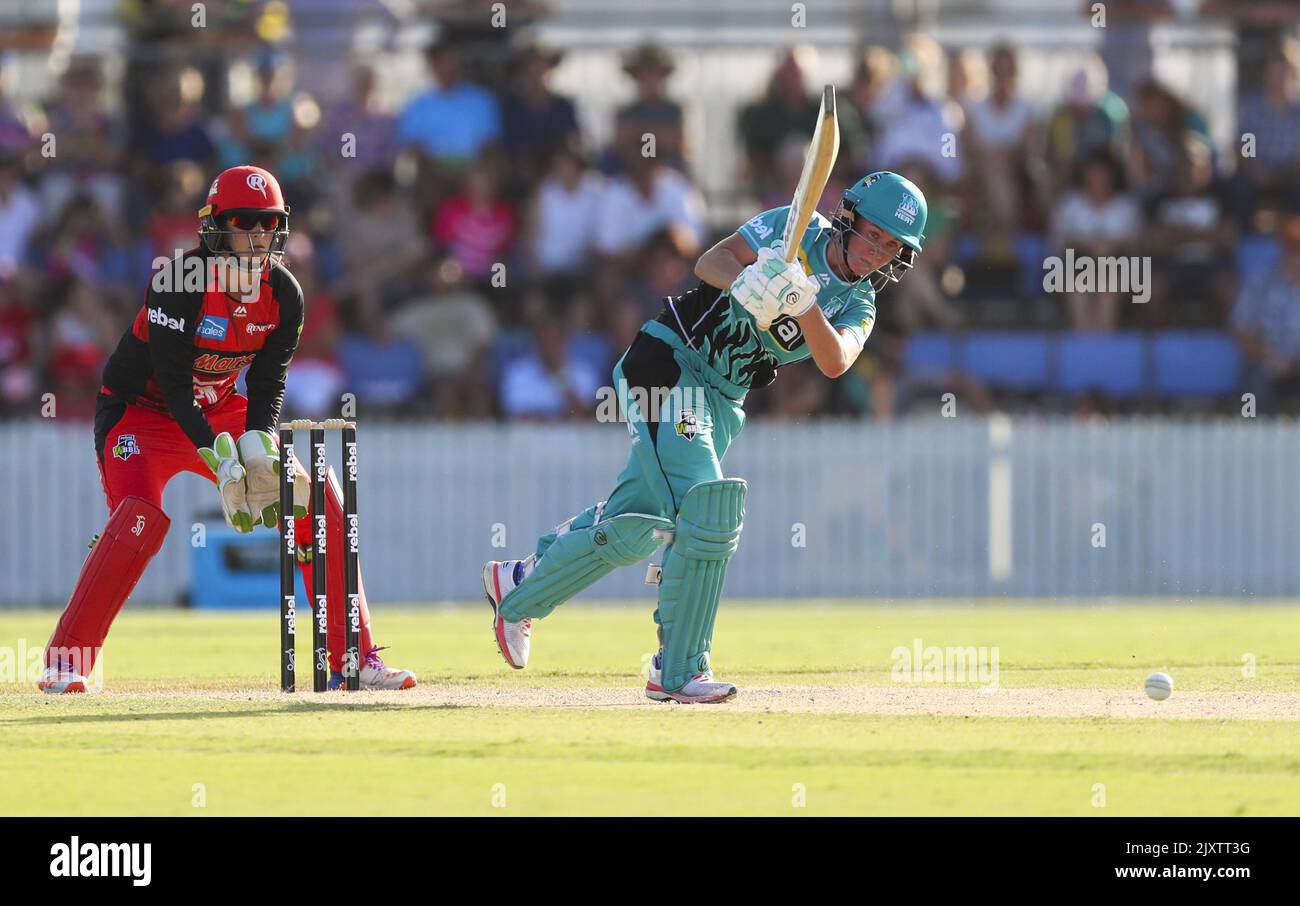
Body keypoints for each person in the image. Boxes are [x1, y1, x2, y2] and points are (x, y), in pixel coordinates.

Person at [483, 171, 927, 703]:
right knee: (707, 508)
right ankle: (678, 668)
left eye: (891, 247)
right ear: (850, 218)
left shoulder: (860, 305)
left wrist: (801, 301)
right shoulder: (795, 226)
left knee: (636, 525)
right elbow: (709, 262)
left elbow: (835, 360)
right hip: (670, 359)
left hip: (724, 400)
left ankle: (519, 586)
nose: (877, 253)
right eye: (873, 234)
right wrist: (751, 281)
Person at [39, 165, 416, 694]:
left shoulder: (285, 295)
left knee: (316, 499)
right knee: (138, 520)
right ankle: (65, 662)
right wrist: (224, 463)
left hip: (220, 410)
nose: (260, 235)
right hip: (140, 414)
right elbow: (172, 386)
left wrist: (259, 442)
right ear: (216, 226)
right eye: (246, 222)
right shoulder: (177, 282)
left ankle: (351, 657)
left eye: (269, 223)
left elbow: (267, 384)